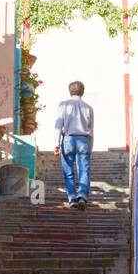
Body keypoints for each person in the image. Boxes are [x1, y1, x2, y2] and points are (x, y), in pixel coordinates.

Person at [54, 81, 94, 210]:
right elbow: (91, 129)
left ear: (69, 91)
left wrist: (56, 143)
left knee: (68, 172)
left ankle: (72, 199)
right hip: (84, 140)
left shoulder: (63, 105)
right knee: (84, 170)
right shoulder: (88, 107)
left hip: (68, 139)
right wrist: (90, 146)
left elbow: (58, 125)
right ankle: (82, 196)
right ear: (82, 92)